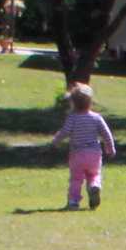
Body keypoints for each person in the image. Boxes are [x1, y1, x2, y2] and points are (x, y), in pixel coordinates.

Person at [50, 83, 116, 211]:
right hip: (94, 154)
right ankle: (94, 187)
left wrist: (55, 142)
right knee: (94, 174)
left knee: (76, 179)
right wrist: (110, 148)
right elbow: (106, 134)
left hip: (77, 154)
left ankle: (74, 201)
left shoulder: (73, 118)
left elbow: (64, 131)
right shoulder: (97, 118)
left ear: (73, 103)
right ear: (90, 102)